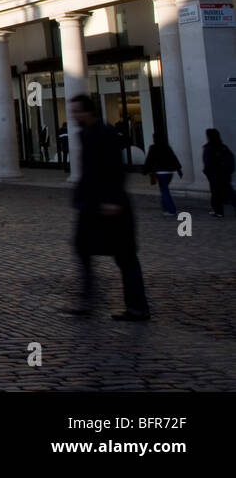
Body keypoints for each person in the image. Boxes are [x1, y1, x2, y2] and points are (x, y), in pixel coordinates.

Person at [65, 93, 149, 322]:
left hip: (113, 207)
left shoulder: (104, 134)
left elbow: (115, 169)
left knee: (125, 257)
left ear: (89, 111)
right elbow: (88, 172)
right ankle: (89, 299)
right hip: (93, 206)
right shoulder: (86, 134)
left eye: (77, 111)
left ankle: (137, 307)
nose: (73, 116)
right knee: (82, 248)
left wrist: (113, 201)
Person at [143, 136, 182, 216]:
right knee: (164, 190)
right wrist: (178, 169)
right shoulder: (167, 147)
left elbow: (149, 159)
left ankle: (171, 210)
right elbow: (174, 158)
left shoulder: (153, 148)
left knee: (164, 191)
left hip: (160, 172)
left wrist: (145, 170)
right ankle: (165, 208)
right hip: (169, 172)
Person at [201, 128, 236, 217]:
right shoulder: (223, 147)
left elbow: (207, 162)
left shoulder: (209, 148)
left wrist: (207, 172)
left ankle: (219, 212)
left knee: (216, 193)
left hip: (215, 175)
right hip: (224, 174)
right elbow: (231, 159)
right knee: (230, 192)